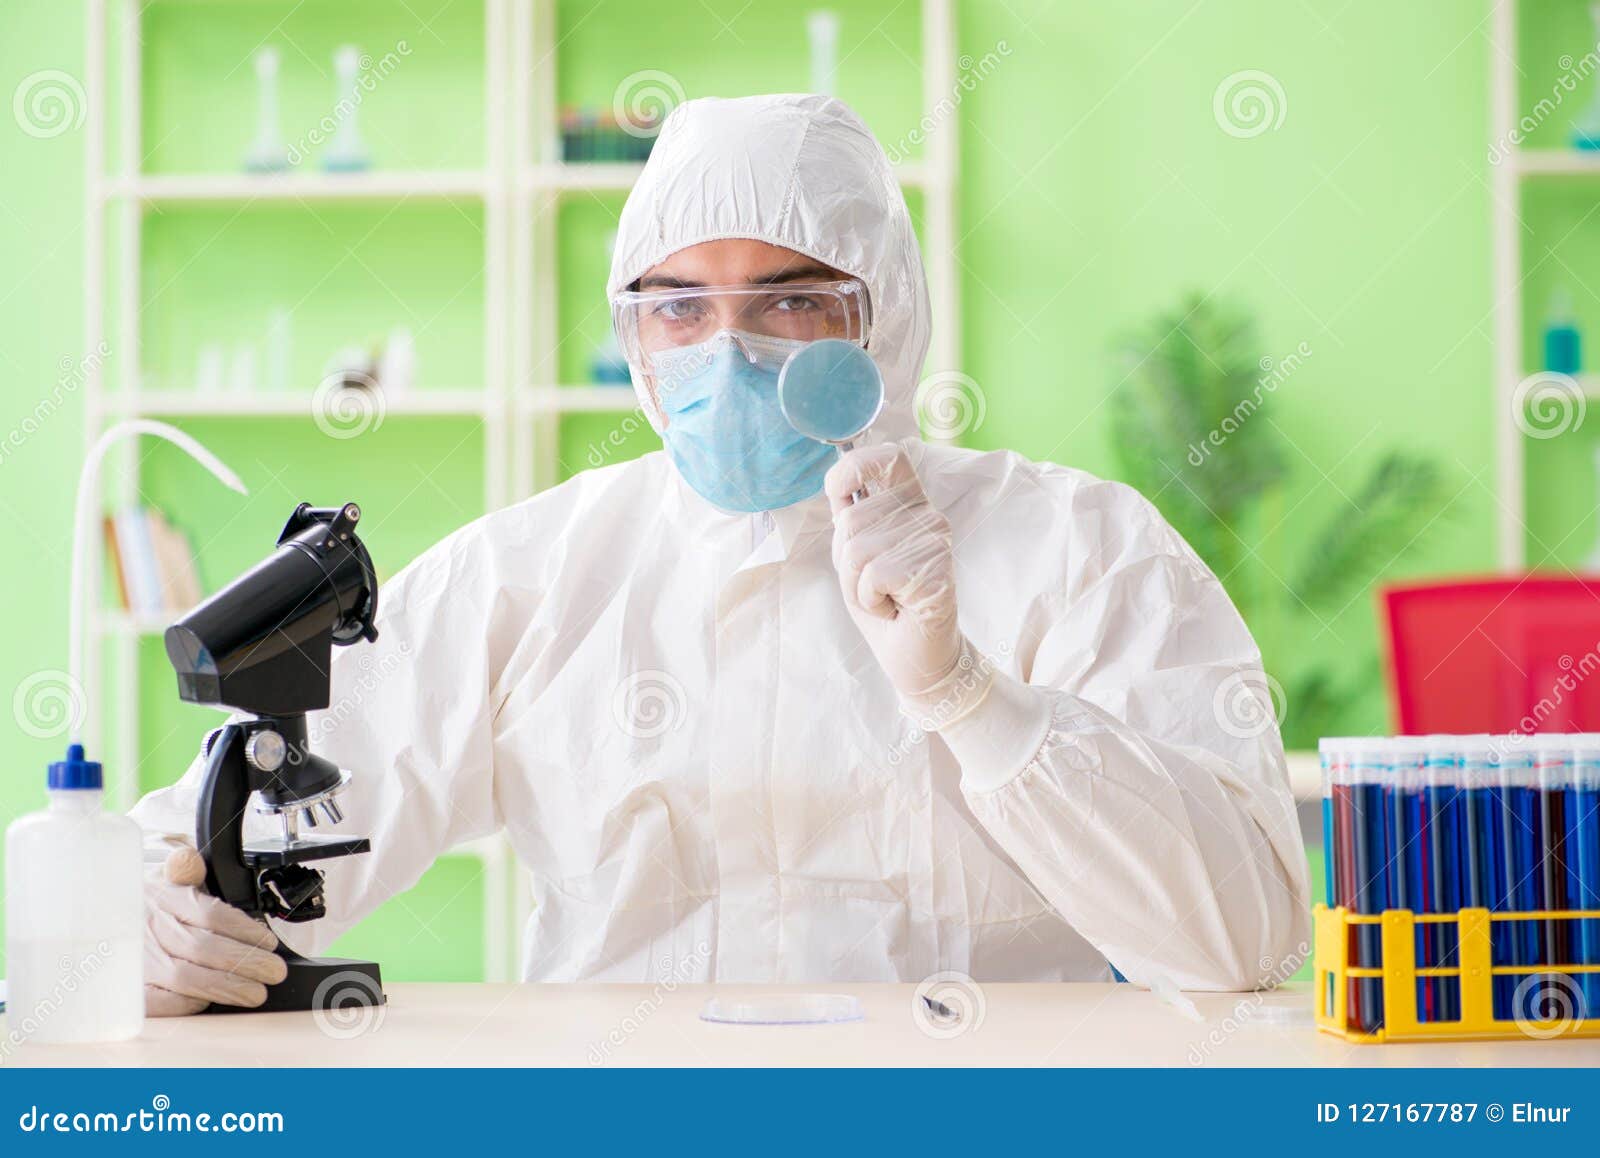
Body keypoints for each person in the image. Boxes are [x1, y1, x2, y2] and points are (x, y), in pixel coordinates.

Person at [131, 93, 1309, 1014]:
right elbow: (226, 845)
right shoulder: (533, 571)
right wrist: (153, 919)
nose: (729, 352)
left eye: (790, 303)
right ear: (634, 335)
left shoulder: (1081, 548)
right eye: (680, 308)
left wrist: (966, 696)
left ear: (884, 315)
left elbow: (1243, 942)